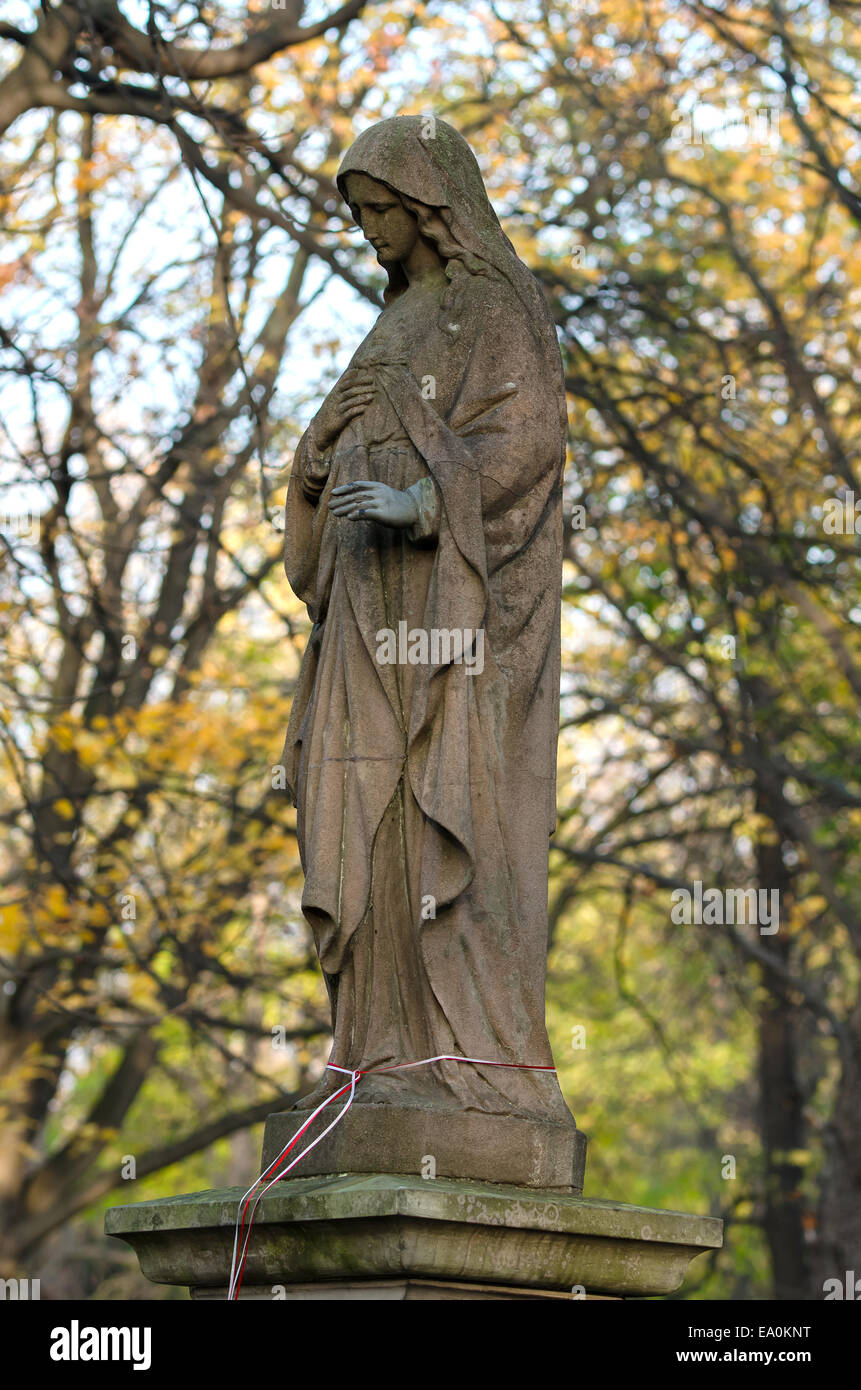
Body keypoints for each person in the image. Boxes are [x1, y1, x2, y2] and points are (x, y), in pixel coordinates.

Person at [282, 115, 573, 1126]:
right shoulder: (395, 316)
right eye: (359, 215)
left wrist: (427, 504)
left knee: (436, 814)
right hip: (363, 612)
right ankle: (373, 1051)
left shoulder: (498, 306)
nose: (369, 232)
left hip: (448, 622)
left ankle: (461, 1058)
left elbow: (526, 441)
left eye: (381, 212)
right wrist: (318, 456)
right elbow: (336, 446)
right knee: (354, 816)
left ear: (427, 207)